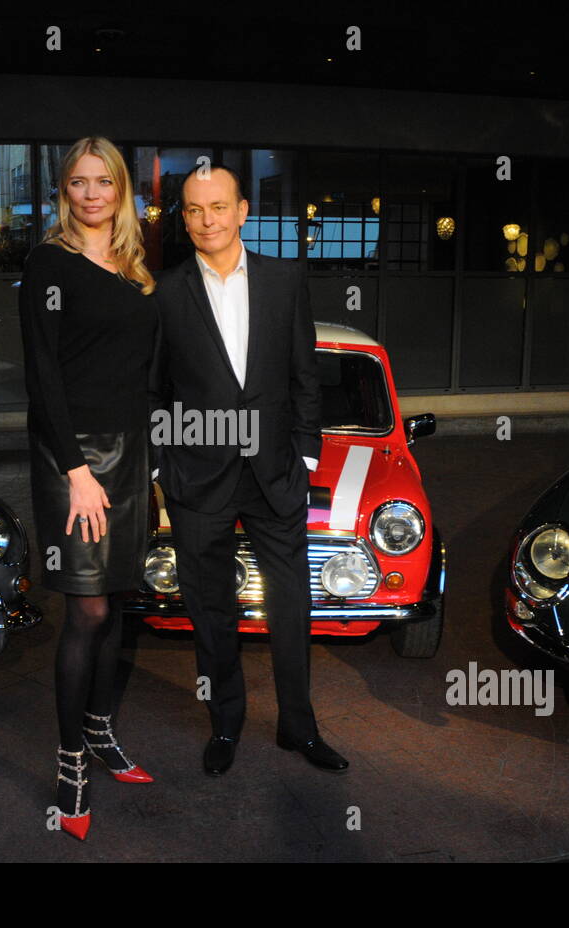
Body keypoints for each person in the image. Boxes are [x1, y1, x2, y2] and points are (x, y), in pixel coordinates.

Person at [149, 162, 348, 776]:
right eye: (193, 210)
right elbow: (151, 390)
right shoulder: (163, 292)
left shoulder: (285, 279)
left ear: (241, 211)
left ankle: (299, 727)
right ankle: (226, 725)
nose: (207, 220)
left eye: (218, 207)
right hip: (196, 478)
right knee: (210, 608)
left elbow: (303, 375)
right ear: (184, 219)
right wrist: (161, 464)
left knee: (291, 604)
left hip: (274, 471)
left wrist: (306, 454)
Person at [19, 136, 158, 841]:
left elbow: (143, 374)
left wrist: (153, 464)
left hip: (132, 454)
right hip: (70, 458)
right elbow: (43, 376)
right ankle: (71, 760)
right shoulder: (48, 263)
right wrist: (76, 470)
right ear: (64, 190)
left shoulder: (137, 267)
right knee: (87, 609)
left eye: (105, 182)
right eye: (80, 182)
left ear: (121, 189)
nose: (93, 194)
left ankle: (102, 731)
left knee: (119, 601)